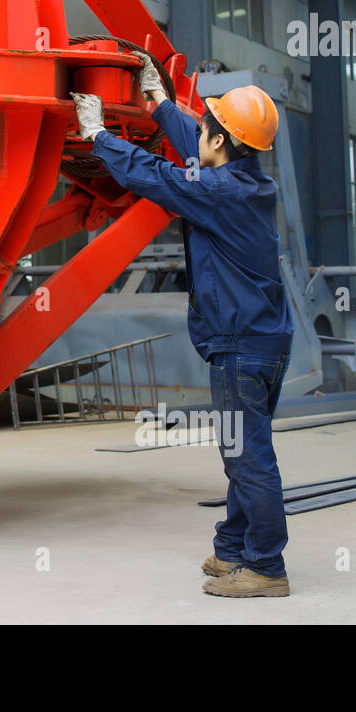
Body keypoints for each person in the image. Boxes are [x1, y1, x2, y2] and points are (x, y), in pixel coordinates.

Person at [72, 55, 294, 597]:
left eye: (205, 128)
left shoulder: (217, 193)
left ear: (220, 143)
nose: (199, 132)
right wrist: (161, 103)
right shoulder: (243, 183)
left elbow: (160, 176)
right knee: (244, 448)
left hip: (242, 345)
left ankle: (265, 567)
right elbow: (198, 150)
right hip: (263, 340)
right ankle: (234, 549)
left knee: (247, 456)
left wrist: (99, 135)